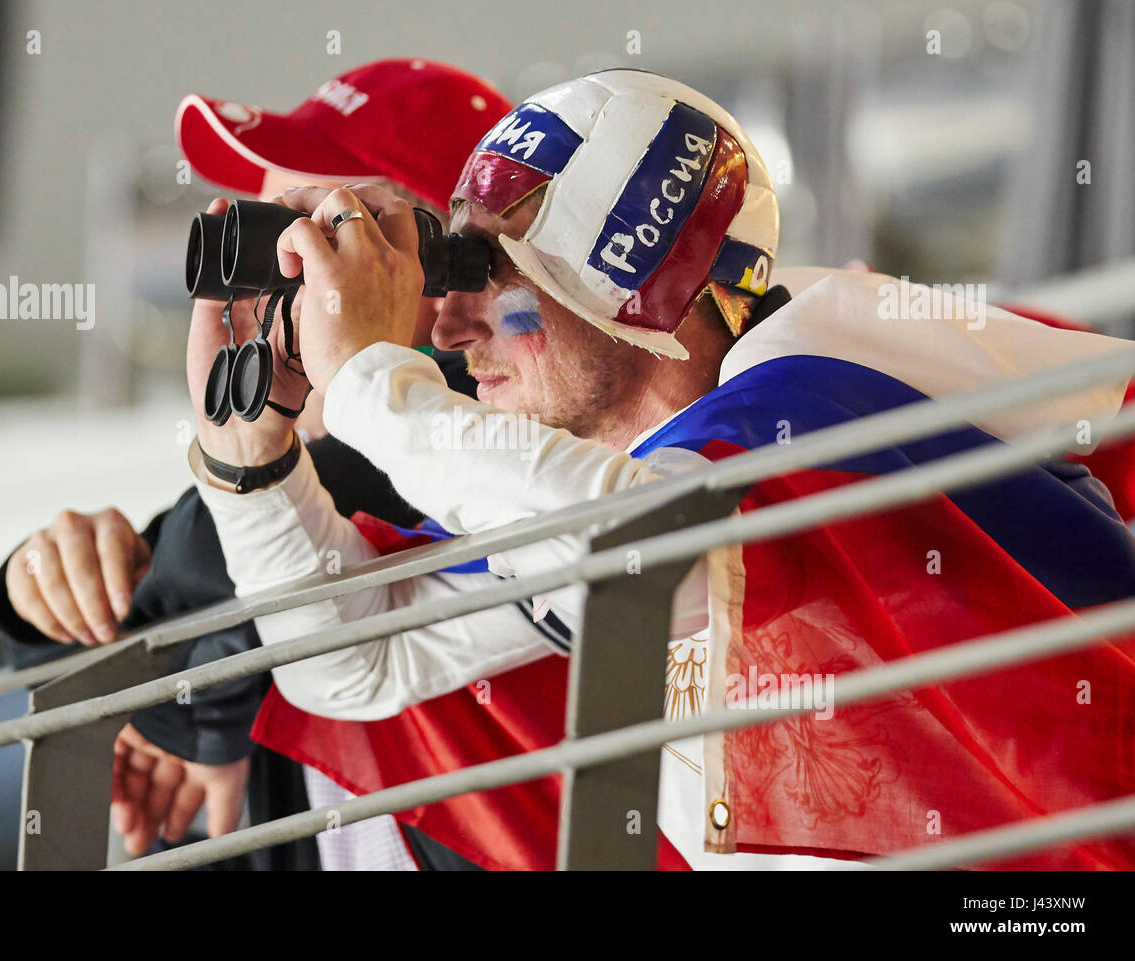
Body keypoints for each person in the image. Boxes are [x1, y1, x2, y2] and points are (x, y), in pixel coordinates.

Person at [186, 68, 1135, 869]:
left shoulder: (819, 387)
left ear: (640, 285)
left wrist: (364, 381)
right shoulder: (624, 478)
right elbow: (356, 661)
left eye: (493, 271)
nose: (447, 324)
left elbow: (654, 554)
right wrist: (249, 452)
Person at [0, 58, 510, 869]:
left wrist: (189, 710)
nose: (269, 271)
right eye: (266, 223)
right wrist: (44, 583)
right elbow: (134, 630)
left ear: (447, 269)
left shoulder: (475, 458)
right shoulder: (281, 472)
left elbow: (207, 568)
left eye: (316, 225)